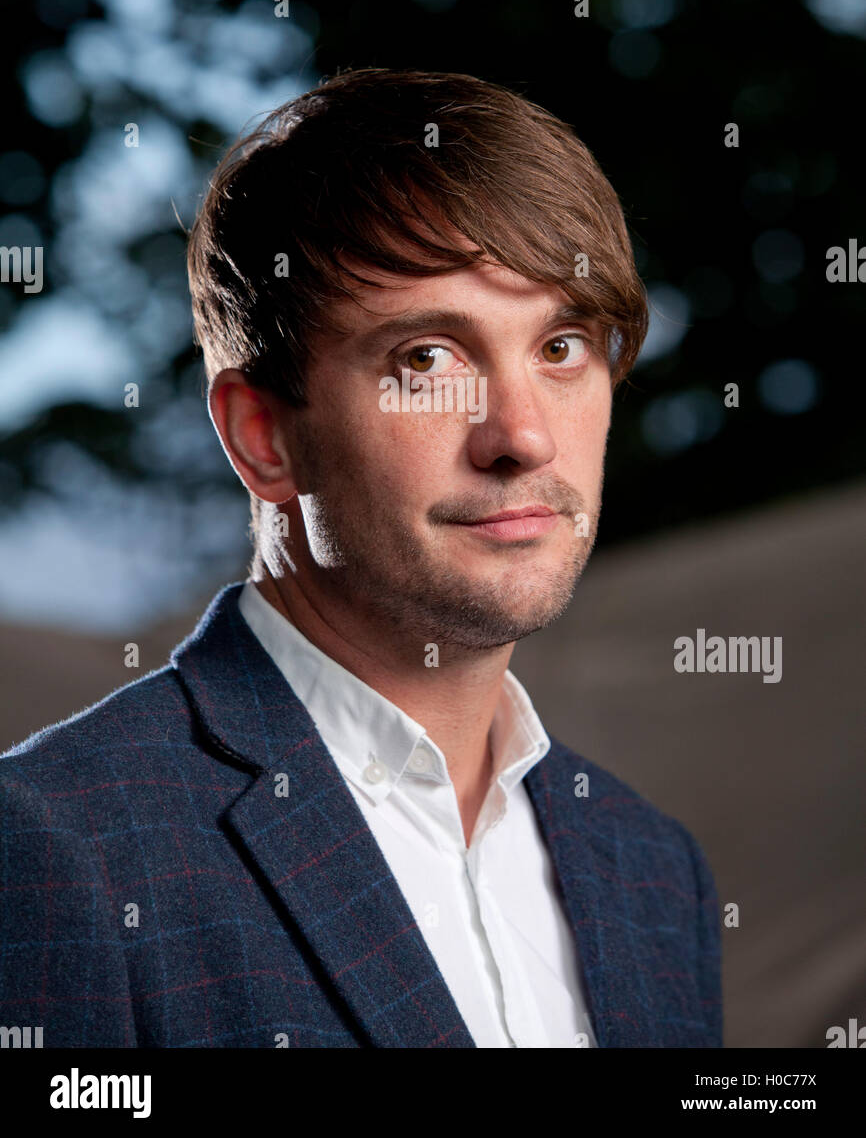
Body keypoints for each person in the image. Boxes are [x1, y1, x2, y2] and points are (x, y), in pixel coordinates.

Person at [0, 68, 722, 1048]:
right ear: (264, 436)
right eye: (426, 358)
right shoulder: (53, 847)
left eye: (560, 346)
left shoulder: (654, 873)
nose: (521, 437)